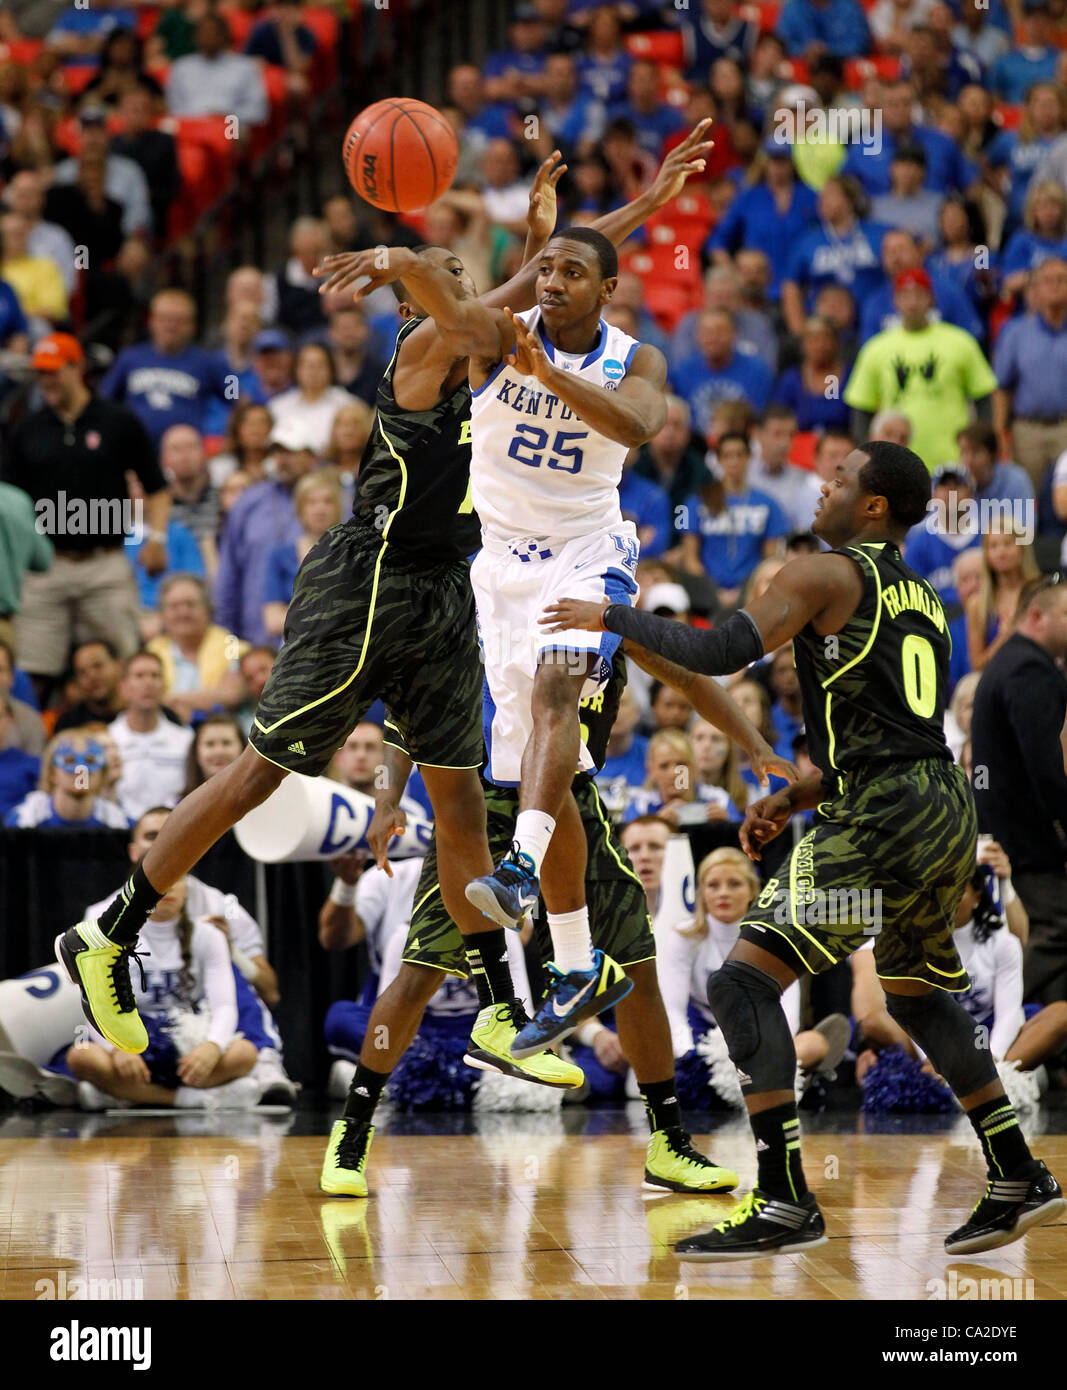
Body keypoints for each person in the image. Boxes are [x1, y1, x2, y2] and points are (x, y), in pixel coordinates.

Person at [55, 140, 712, 1157]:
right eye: (462, 281)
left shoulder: (484, 330)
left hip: (449, 594)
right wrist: (400, 256)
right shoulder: (424, 349)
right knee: (259, 775)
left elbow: (545, 279)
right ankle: (111, 927)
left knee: (458, 806)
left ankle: (502, 1004)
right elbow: (478, 301)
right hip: (369, 583)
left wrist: (623, 211)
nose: (489, 288)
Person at [545, 439, 1063, 1259]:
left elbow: (721, 651)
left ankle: (784, 1198)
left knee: (742, 983)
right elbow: (896, 734)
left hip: (881, 817)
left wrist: (608, 613)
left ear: (871, 507)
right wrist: (795, 793)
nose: (821, 488)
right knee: (916, 994)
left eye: (839, 479)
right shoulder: (921, 596)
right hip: (939, 807)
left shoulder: (827, 572)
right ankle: (1016, 1171)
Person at [337, 631, 795, 1196]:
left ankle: (668, 1143)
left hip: (572, 801)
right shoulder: (497, 613)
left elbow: (692, 679)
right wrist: (386, 800)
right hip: (481, 806)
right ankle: (352, 1133)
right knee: (419, 973)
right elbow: (403, 724)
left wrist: (753, 743)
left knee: (636, 968)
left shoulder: (607, 616)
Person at [2, 334, 168, 699]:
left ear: (77, 369)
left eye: (53, 372)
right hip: (45, 567)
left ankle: (129, 744)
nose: (46, 381)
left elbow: (156, 486)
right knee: (31, 671)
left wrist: (157, 539)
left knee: (123, 662)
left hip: (104, 562)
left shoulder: (118, 421)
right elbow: (9, 500)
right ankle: (34, 748)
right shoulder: (27, 428)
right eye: (41, 374)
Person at [971, 575, 1067, 1006]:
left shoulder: (1012, 661)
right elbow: (1045, 767)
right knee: (1055, 929)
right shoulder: (1030, 669)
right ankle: (991, 1024)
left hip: (1007, 834)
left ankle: (1051, 1058)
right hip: (1025, 841)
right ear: (1036, 616)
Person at [845, 267, 997, 471]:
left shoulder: (961, 342)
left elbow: (983, 397)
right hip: (896, 463)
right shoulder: (875, 348)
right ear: (895, 301)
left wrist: (980, 447)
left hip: (953, 458)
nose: (913, 303)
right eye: (905, 296)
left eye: (919, 295)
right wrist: (869, 455)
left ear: (931, 299)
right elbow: (862, 409)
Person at [100, 289, 231, 445]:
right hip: (135, 449)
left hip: (184, 453)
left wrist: (228, 437)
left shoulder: (206, 361)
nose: (171, 326)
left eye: (179, 321)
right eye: (165, 319)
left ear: (192, 326)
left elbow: (237, 394)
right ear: (151, 321)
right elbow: (104, 399)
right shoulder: (129, 358)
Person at [680, 431, 789, 610]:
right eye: (728, 455)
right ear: (719, 459)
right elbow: (690, 558)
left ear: (749, 457)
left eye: (740, 454)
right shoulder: (697, 500)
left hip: (752, 593)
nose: (734, 461)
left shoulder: (768, 503)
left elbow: (770, 559)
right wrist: (713, 591)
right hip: (707, 594)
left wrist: (747, 589)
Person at [992, 257, 1067, 494]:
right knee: (1024, 504)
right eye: (1047, 280)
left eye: (1062, 280)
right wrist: (1000, 435)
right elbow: (1002, 388)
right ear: (1035, 290)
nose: (1055, 285)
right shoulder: (1015, 331)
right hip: (1027, 431)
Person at [146, 575, 247, 722]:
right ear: (162, 615)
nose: (183, 613)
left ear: (208, 609)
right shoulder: (151, 651)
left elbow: (231, 695)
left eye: (191, 604)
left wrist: (168, 700)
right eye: (174, 606)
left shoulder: (231, 645)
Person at [108, 650, 193, 819]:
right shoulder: (106, 739)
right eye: (139, 676)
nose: (148, 683)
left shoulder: (186, 740)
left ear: (165, 686)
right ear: (123, 687)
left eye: (155, 676)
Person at [262, 468, 344, 640]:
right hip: (293, 652)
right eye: (312, 502)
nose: (320, 509)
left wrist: (295, 616)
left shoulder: (352, 554)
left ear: (338, 507)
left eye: (328, 501)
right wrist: (328, 617)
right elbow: (273, 620)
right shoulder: (279, 556)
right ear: (300, 509)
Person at [4, 727, 130, 829]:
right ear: (52, 772)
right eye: (70, 761)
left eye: (89, 761)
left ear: (102, 774)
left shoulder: (119, 823)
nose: (80, 770)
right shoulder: (24, 820)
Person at [166, 12, 268, 129]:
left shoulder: (245, 67)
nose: (208, 36)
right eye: (203, 32)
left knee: (235, 133)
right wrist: (202, 119)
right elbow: (173, 108)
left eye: (213, 32)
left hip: (231, 125)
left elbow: (259, 112)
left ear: (225, 35)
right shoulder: (181, 67)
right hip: (191, 126)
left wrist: (227, 116)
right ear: (195, 36)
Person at [964, 521, 1040, 672]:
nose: (1001, 552)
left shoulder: (1040, 593)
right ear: (986, 554)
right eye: (993, 546)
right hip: (997, 680)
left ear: (1022, 548)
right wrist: (1005, 637)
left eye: (1008, 544)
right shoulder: (977, 604)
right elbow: (978, 666)